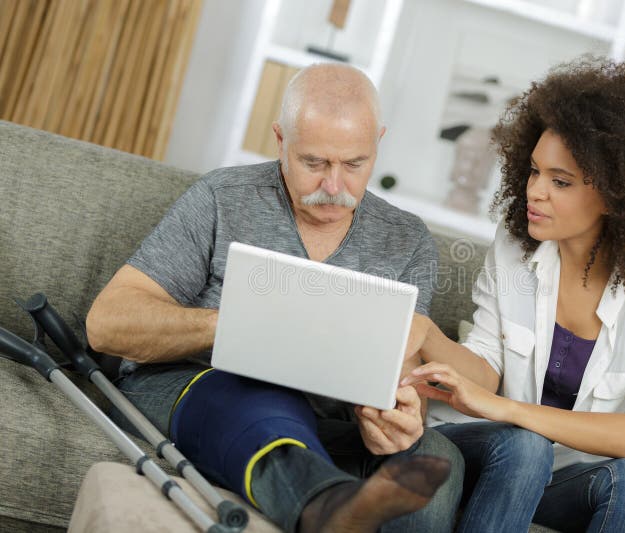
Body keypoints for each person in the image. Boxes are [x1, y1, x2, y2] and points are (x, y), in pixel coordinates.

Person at [86, 63, 464, 533]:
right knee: (262, 398)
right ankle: (324, 507)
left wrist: (398, 416)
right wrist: (238, 324)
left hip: (323, 418)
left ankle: (329, 497)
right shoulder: (222, 198)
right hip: (198, 388)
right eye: (313, 163)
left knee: (433, 454)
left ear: (378, 143)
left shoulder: (406, 240)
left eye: (354, 164)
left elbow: (403, 374)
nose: (334, 187)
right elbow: (106, 323)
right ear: (280, 139)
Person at [401, 57, 625, 532]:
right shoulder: (515, 250)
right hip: (486, 454)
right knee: (525, 447)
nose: (535, 192)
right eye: (533, 171)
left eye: (560, 181)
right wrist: (427, 333)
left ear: (618, 194)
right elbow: (485, 366)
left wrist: (510, 410)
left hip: (562, 478)